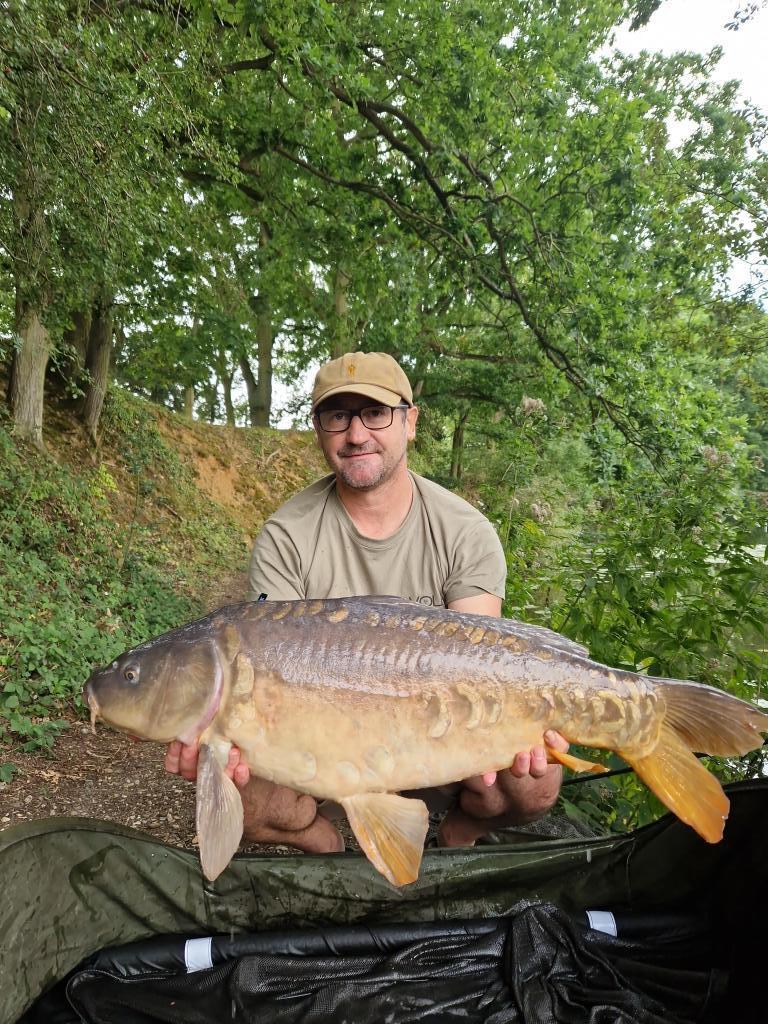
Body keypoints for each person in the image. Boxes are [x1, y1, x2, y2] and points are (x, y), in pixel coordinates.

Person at [166, 351, 567, 852]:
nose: (356, 434)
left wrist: (520, 726)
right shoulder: (287, 536)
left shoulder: (465, 530)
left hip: (443, 746)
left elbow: (479, 667)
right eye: (338, 416)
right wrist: (221, 742)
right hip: (321, 754)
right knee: (237, 788)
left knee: (534, 782)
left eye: (375, 413)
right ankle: (328, 848)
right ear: (319, 430)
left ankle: (457, 834)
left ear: (410, 422)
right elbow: (266, 674)